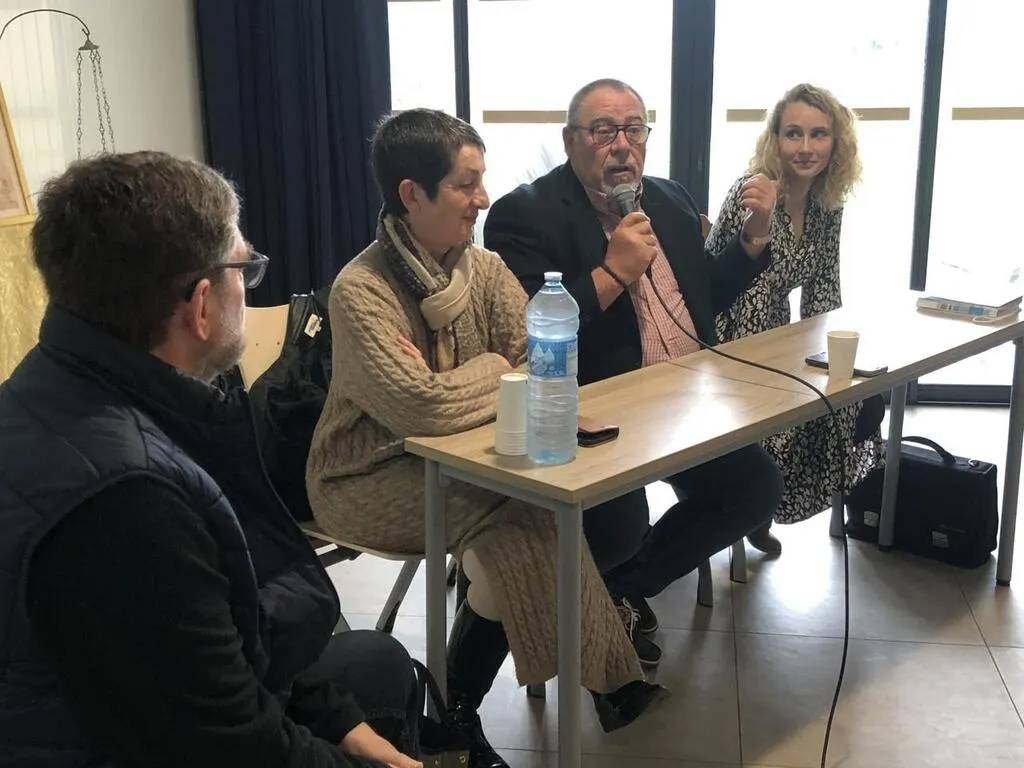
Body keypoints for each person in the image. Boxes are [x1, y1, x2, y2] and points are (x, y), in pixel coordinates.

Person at [0, 151, 424, 768]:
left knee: (375, 668)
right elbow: (230, 745)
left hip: (122, 704)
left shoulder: (58, 385)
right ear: (200, 306)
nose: (247, 285)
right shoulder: (128, 501)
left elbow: (210, 635)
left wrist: (340, 724)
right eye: (243, 268)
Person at [305, 109, 665, 768]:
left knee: (529, 521)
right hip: (364, 476)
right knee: (535, 512)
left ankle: (451, 717)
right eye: (467, 185)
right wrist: (495, 372)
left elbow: (541, 356)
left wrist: (487, 380)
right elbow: (417, 408)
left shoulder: (485, 269)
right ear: (413, 195)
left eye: (483, 180)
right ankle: (610, 683)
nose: (484, 198)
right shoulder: (361, 291)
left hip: (471, 462)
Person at [484, 79, 784, 668]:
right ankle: (592, 610)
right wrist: (612, 272)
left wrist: (753, 241)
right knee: (619, 522)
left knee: (753, 488)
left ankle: (622, 592)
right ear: (571, 141)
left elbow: (702, 297)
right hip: (596, 413)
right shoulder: (525, 215)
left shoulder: (667, 199)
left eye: (634, 130)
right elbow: (527, 334)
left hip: (685, 400)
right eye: (603, 132)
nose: (622, 146)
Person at [708, 83, 884, 544]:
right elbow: (739, 296)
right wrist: (790, 366)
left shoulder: (828, 203)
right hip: (729, 340)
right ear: (776, 139)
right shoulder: (754, 192)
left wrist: (835, 359)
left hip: (781, 334)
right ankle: (756, 506)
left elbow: (824, 287)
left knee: (859, 401)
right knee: (791, 409)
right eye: (793, 134)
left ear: (836, 142)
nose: (805, 148)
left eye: (819, 135)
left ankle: (765, 507)